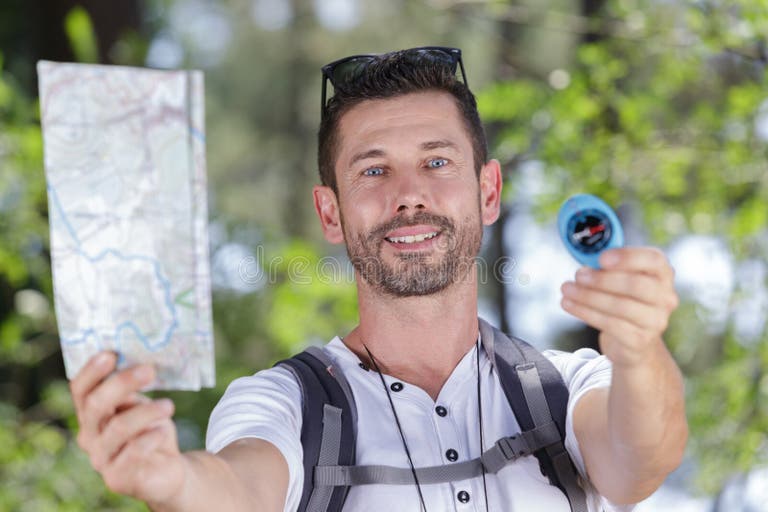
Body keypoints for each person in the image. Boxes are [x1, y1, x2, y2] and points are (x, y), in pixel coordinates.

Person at [69, 47, 687, 512]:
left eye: (437, 162)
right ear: (330, 213)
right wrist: (175, 481)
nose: (409, 195)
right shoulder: (284, 403)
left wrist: (637, 350)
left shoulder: (565, 386)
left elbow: (640, 464)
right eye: (372, 171)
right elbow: (238, 485)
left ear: (488, 190)